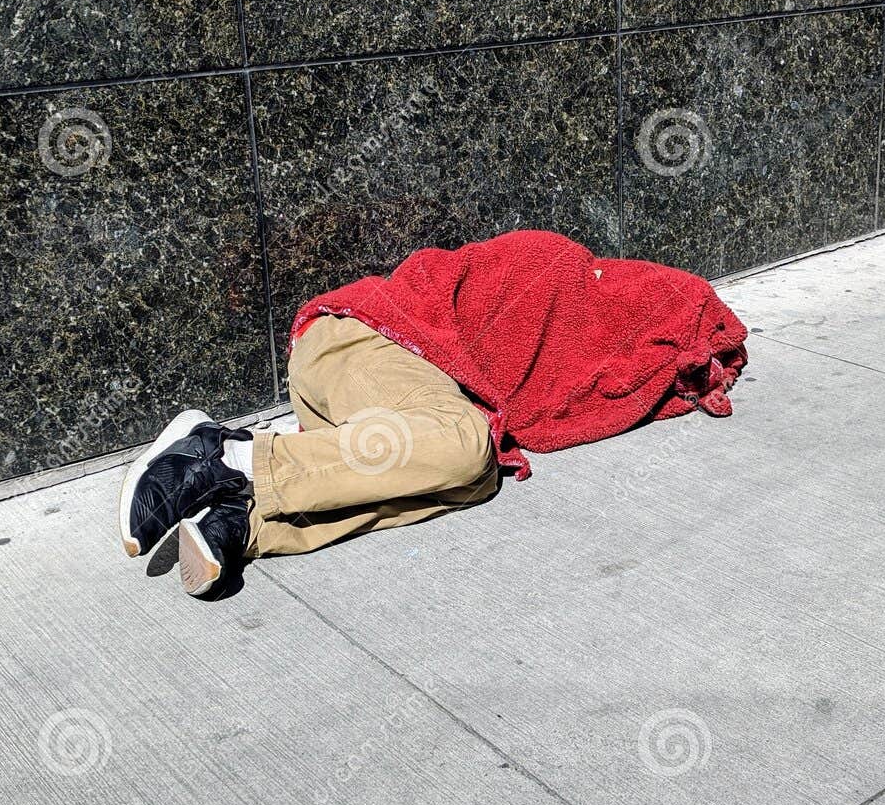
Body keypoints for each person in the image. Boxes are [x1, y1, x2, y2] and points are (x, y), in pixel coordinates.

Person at [118, 229, 748, 596]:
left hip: (377, 387)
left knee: (473, 478)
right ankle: (224, 453)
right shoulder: (551, 271)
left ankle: (246, 521)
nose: (682, 376)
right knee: (464, 441)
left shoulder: (585, 315)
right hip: (364, 339)